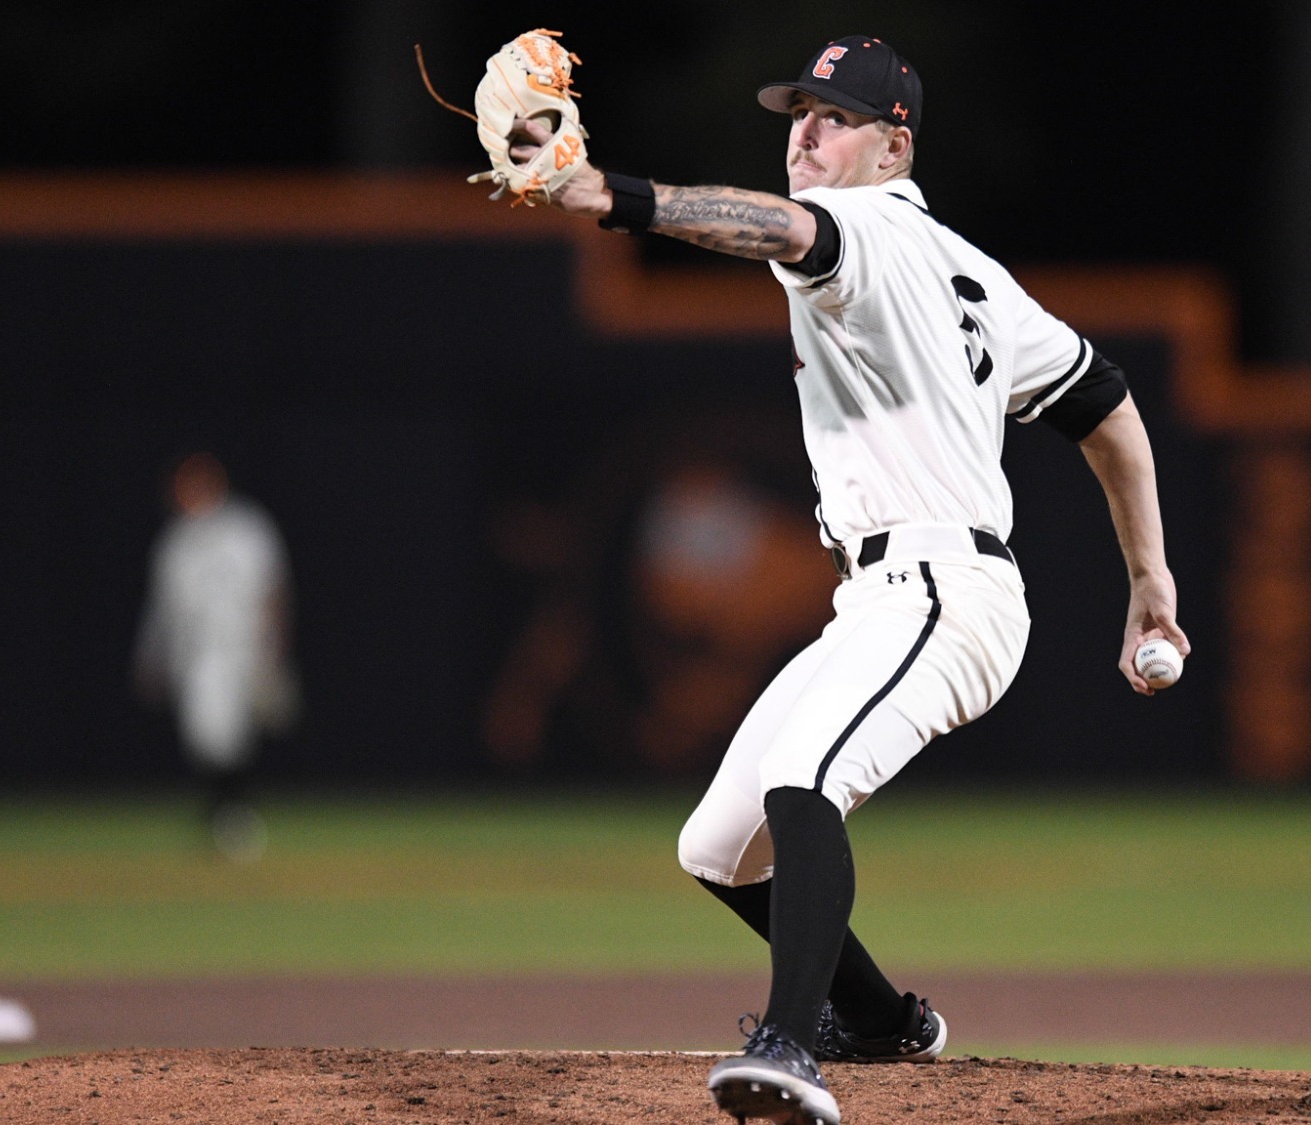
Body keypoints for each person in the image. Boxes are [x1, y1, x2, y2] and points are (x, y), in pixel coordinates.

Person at [501, 34, 1189, 1125]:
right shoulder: (973, 273)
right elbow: (1104, 404)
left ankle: (788, 1049)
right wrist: (1148, 575)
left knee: (804, 781)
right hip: (887, 594)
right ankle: (877, 1020)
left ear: (892, 144)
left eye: (831, 118)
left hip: (941, 589)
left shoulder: (864, 228)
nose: (803, 133)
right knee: (717, 849)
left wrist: (603, 192)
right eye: (796, 114)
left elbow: (781, 228)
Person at [133, 452, 295, 862]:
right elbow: (162, 609)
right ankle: (228, 815)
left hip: (243, 647)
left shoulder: (246, 528)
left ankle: (231, 815)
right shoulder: (176, 541)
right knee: (208, 736)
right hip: (198, 654)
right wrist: (151, 657)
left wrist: (274, 650)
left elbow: (272, 590)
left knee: (236, 733)